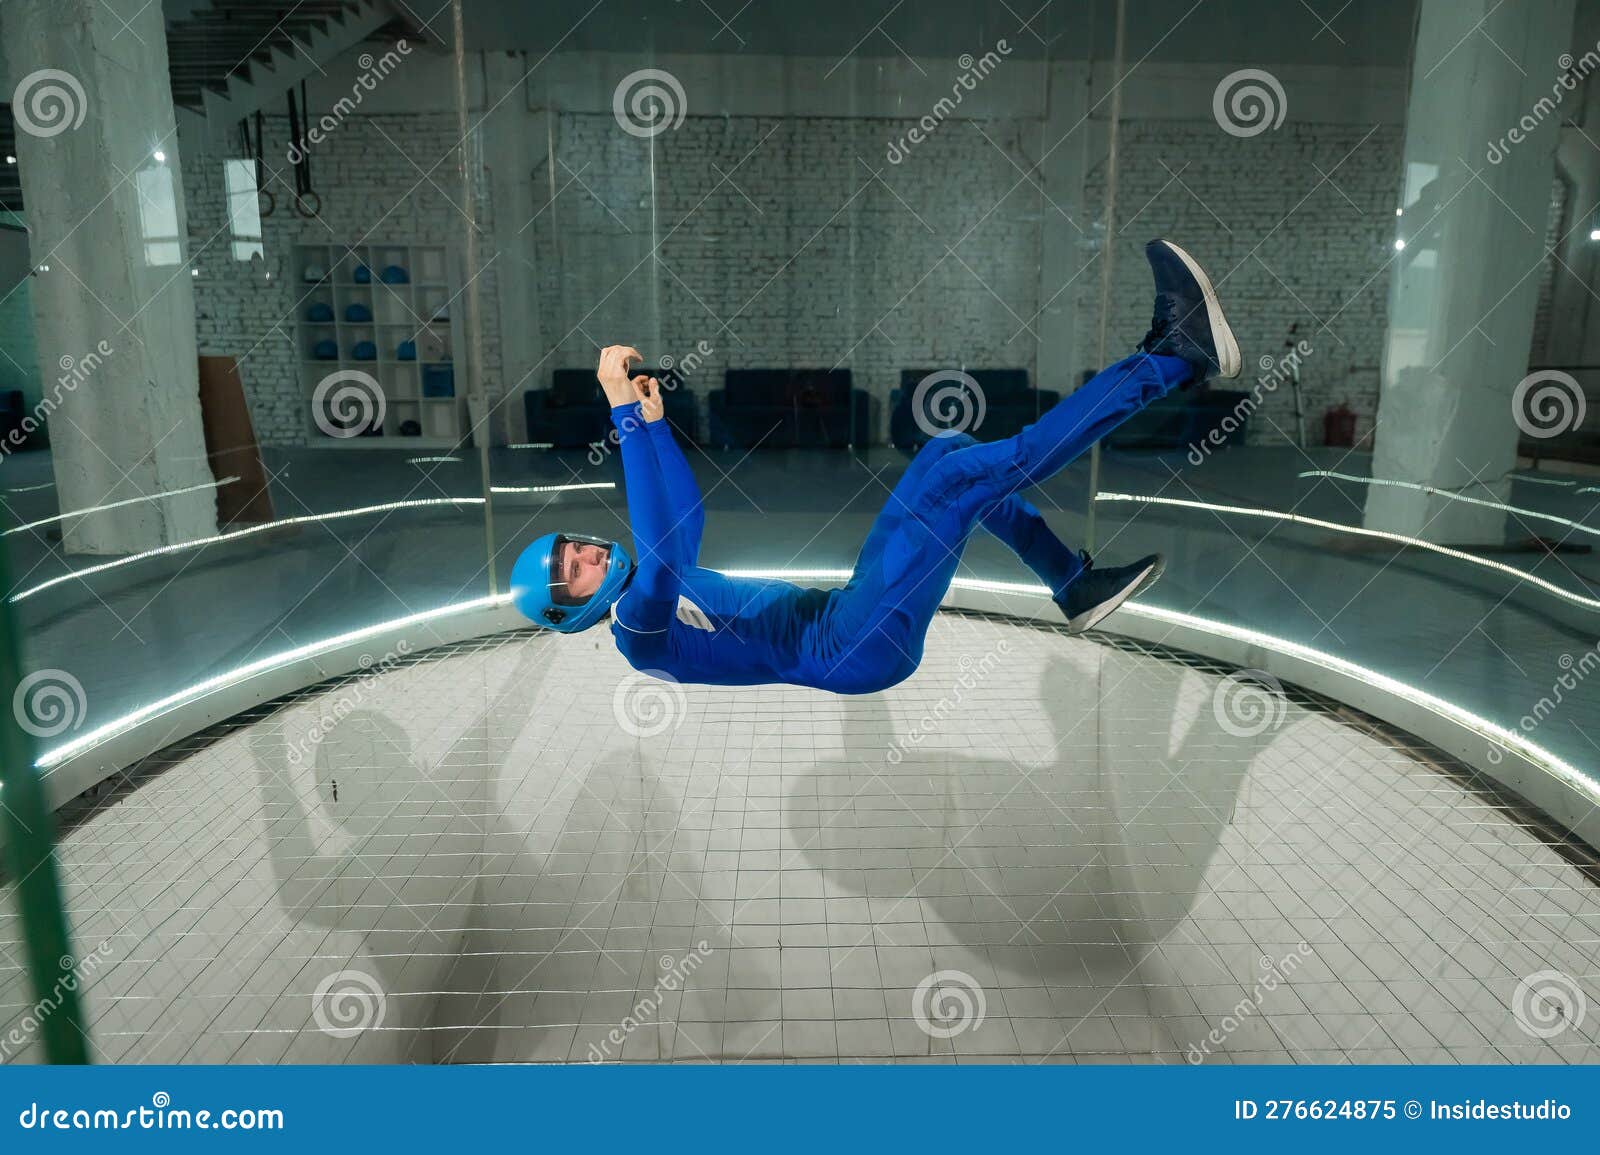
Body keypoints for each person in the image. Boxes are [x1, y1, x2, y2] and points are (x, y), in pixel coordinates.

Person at [511, 238, 1240, 694]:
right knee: (959, 481)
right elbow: (667, 550)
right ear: (571, 610)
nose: (586, 555)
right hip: (848, 645)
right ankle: (1176, 356)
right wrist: (620, 415)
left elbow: (686, 523)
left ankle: (1072, 581)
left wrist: (653, 425)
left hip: (842, 619)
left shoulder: (652, 599)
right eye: (572, 571)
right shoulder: (636, 631)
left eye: (574, 545)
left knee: (945, 453)